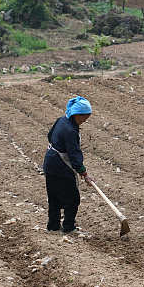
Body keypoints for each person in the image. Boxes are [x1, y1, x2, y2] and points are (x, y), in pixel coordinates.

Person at [42, 96, 92, 233]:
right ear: (76, 115)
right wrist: (84, 173)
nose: (85, 120)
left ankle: (53, 226)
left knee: (53, 197)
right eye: (84, 117)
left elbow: (50, 136)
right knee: (72, 199)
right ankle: (68, 227)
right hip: (61, 167)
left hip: (49, 162)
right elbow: (74, 155)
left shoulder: (61, 120)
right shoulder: (70, 131)